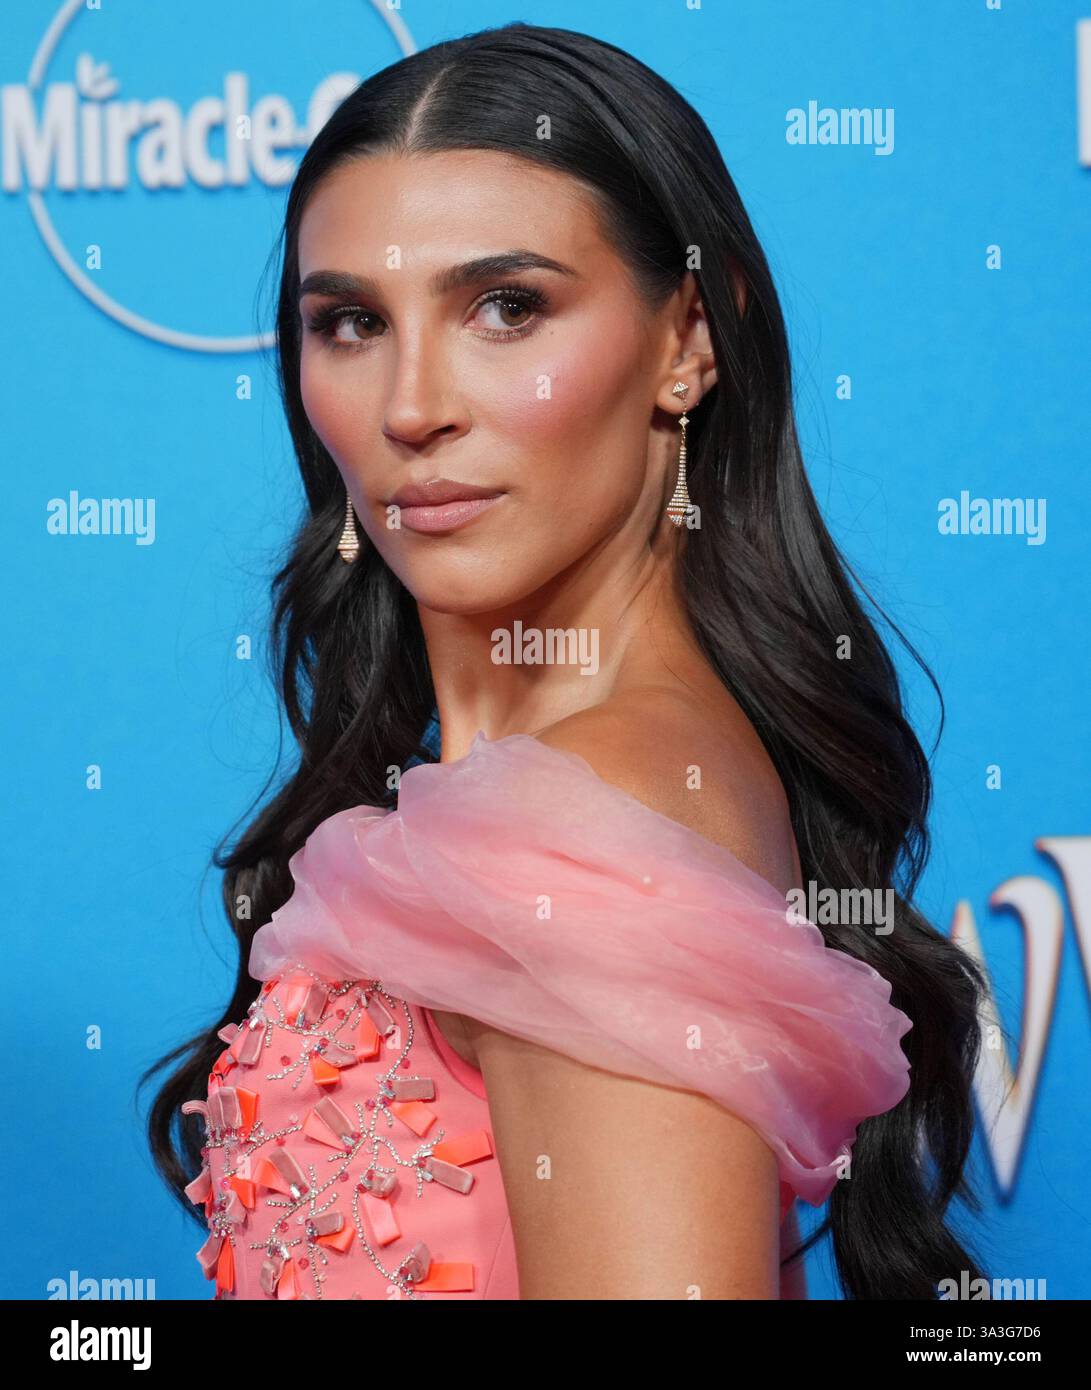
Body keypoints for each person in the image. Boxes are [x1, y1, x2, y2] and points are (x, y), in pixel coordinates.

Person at [143, 22, 988, 1300]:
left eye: (507, 307)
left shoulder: (587, 817)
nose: (412, 406)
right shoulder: (591, 775)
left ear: (686, 341)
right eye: (350, 322)